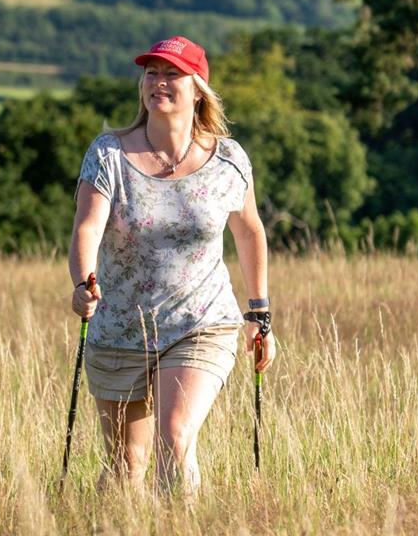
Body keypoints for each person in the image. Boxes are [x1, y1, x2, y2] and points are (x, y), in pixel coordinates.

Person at [67, 35, 276, 495]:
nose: (158, 82)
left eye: (172, 74)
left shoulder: (229, 159)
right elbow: (87, 228)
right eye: (152, 73)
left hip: (201, 321)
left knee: (175, 437)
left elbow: (250, 231)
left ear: (198, 88)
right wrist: (83, 283)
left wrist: (259, 314)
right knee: (126, 465)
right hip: (120, 326)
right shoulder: (109, 153)